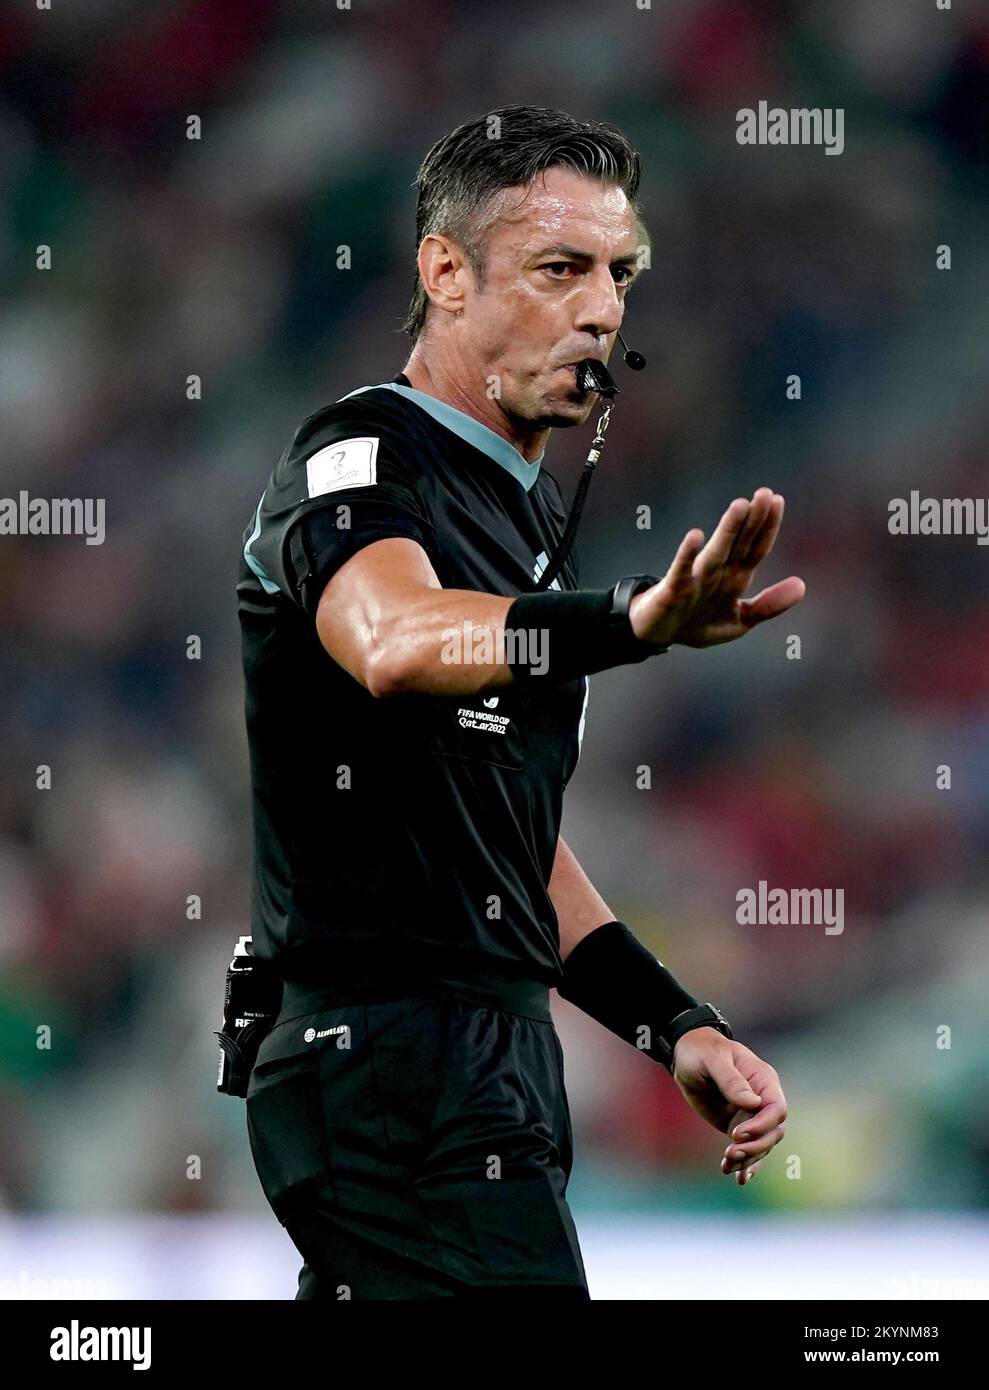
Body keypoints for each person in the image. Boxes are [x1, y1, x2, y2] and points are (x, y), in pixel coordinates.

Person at [236, 104, 802, 1301]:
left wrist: (674, 1026)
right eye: (560, 268)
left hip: (482, 1057)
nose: (601, 308)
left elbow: (509, 845)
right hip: (390, 1060)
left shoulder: (525, 520)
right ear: (445, 272)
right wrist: (629, 623)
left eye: (617, 273)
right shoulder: (359, 455)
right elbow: (391, 638)